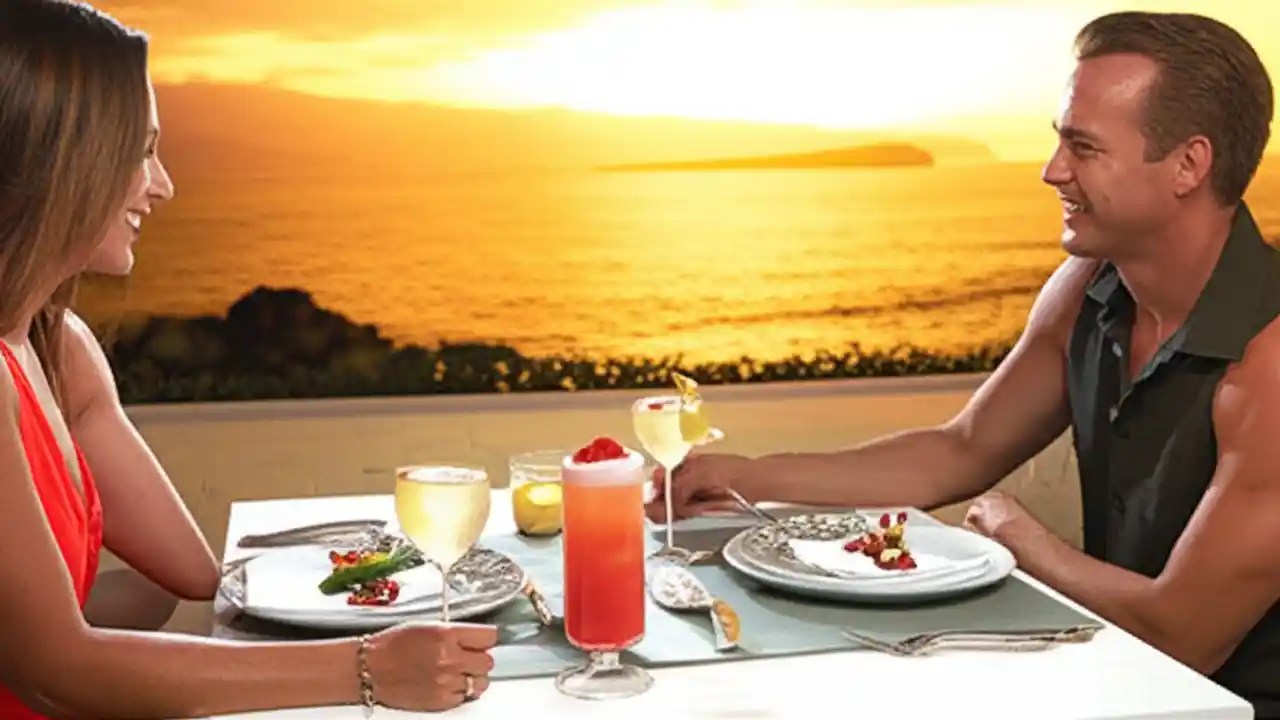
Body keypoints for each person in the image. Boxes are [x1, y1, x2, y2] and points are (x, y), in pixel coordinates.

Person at [651, 10, 1280, 716]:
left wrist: (1020, 539)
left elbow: (1184, 634)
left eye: (1084, 147)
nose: (1052, 171)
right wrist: (743, 476)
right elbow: (960, 450)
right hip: (1120, 684)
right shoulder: (1089, 288)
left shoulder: (1269, 364)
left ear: (1188, 165)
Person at [0, 2, 496, 718]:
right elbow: (59, 669)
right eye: (140, 150)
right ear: (62, 159)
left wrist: (353, 567)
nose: (163, 184)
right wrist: (367, 667)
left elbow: (188, 571)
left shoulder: (59, 349)